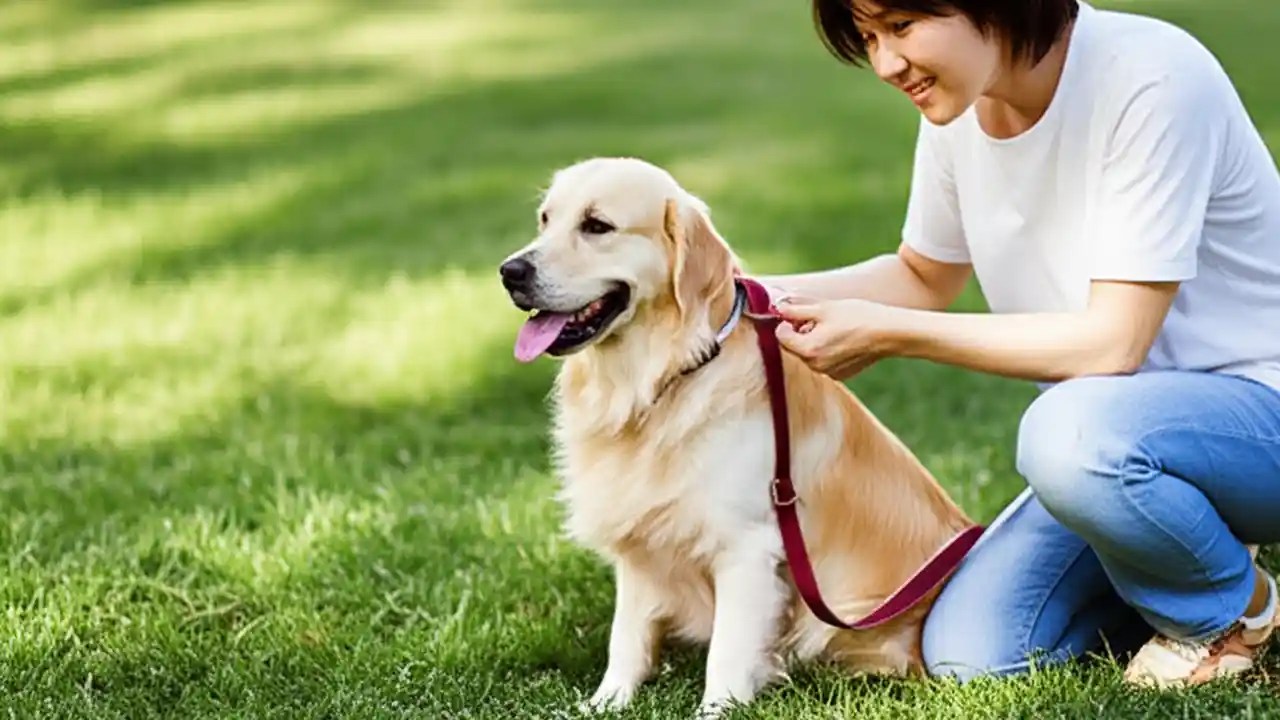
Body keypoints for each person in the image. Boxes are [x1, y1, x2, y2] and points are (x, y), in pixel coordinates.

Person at [759, 0, 1280, 688]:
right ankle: (1181, 547)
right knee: (977, 654)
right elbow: (921, 275)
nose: (885, 63)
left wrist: (890, 336)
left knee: (1065, 436)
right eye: (869, 37)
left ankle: (1232, 612)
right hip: (1117, 444)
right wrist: (738, 292)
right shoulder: (959, 108)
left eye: (902, 27)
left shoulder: (1152, 77)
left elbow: (1113, 343)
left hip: (1248, 417)